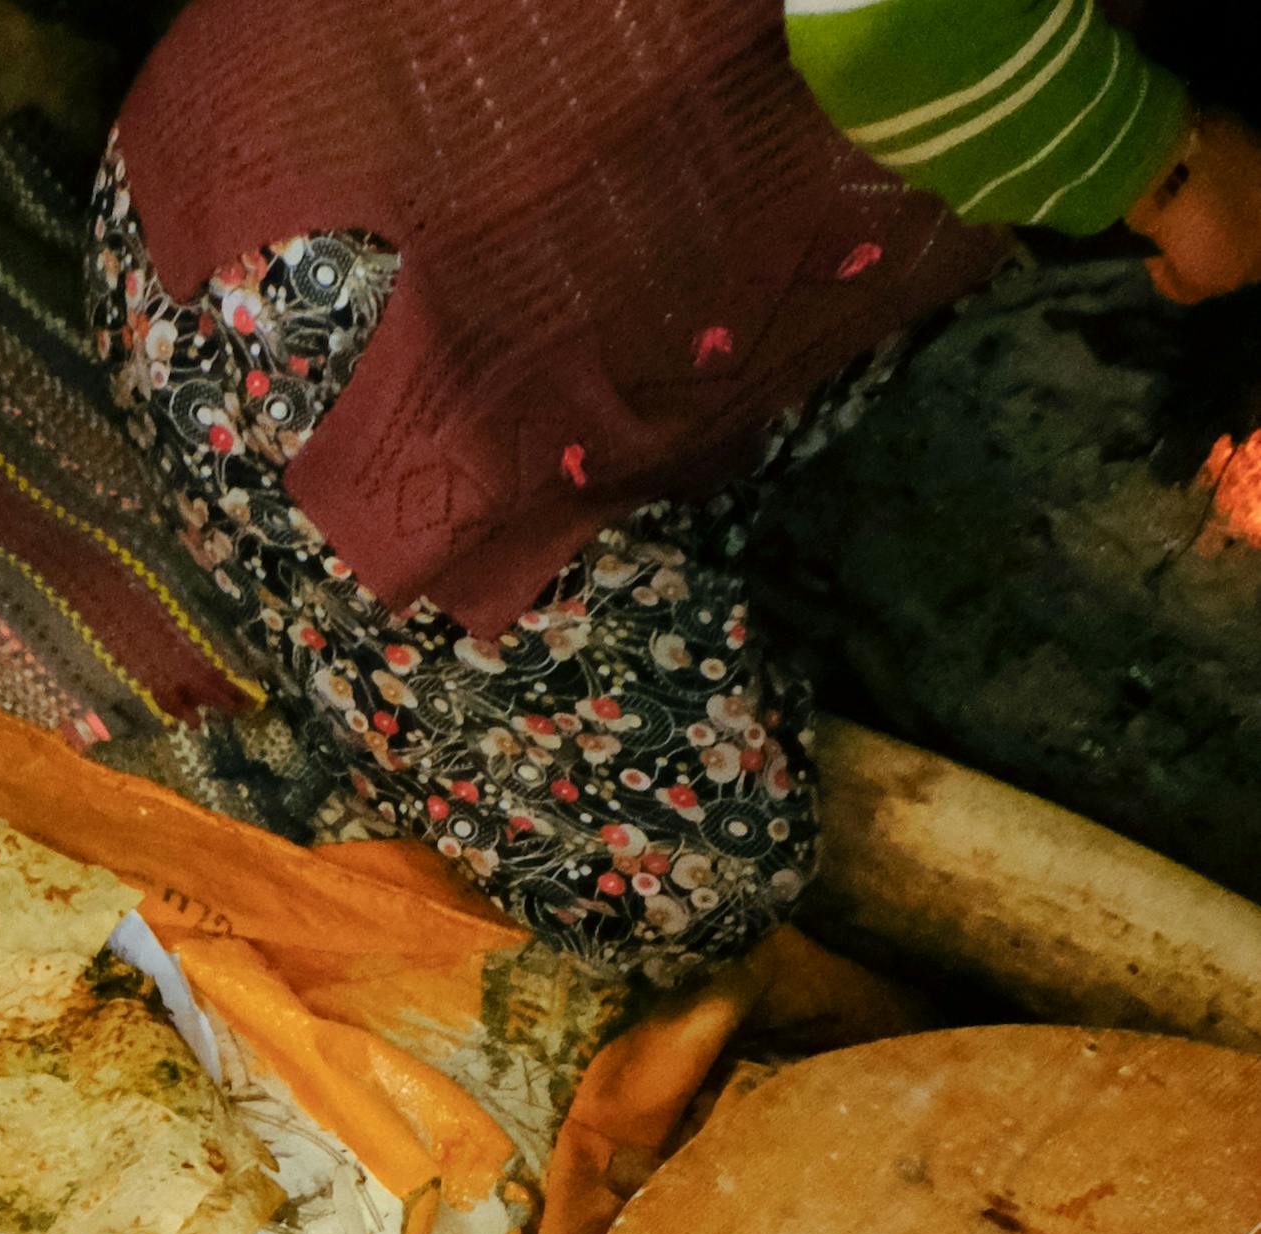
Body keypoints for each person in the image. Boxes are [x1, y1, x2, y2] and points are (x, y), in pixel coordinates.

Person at [97, 0, 1261, 963]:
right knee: (698, 875)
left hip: (251, 142)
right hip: (294, 348)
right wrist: (1169, 168)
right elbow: (879, 20)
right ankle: (381, 665)